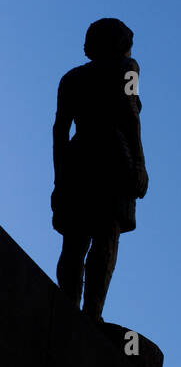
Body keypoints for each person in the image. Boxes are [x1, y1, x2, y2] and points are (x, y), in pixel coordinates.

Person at [52, 18, 148, 321]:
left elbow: (60, 132)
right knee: (106, 236)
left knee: (75, 240)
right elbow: (131, 117)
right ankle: (91, 313)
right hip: (113, 158)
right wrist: (140, 164)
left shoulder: (71, 79)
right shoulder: (128, 68)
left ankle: (68, 306)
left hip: (78, 158)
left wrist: (60, 176)